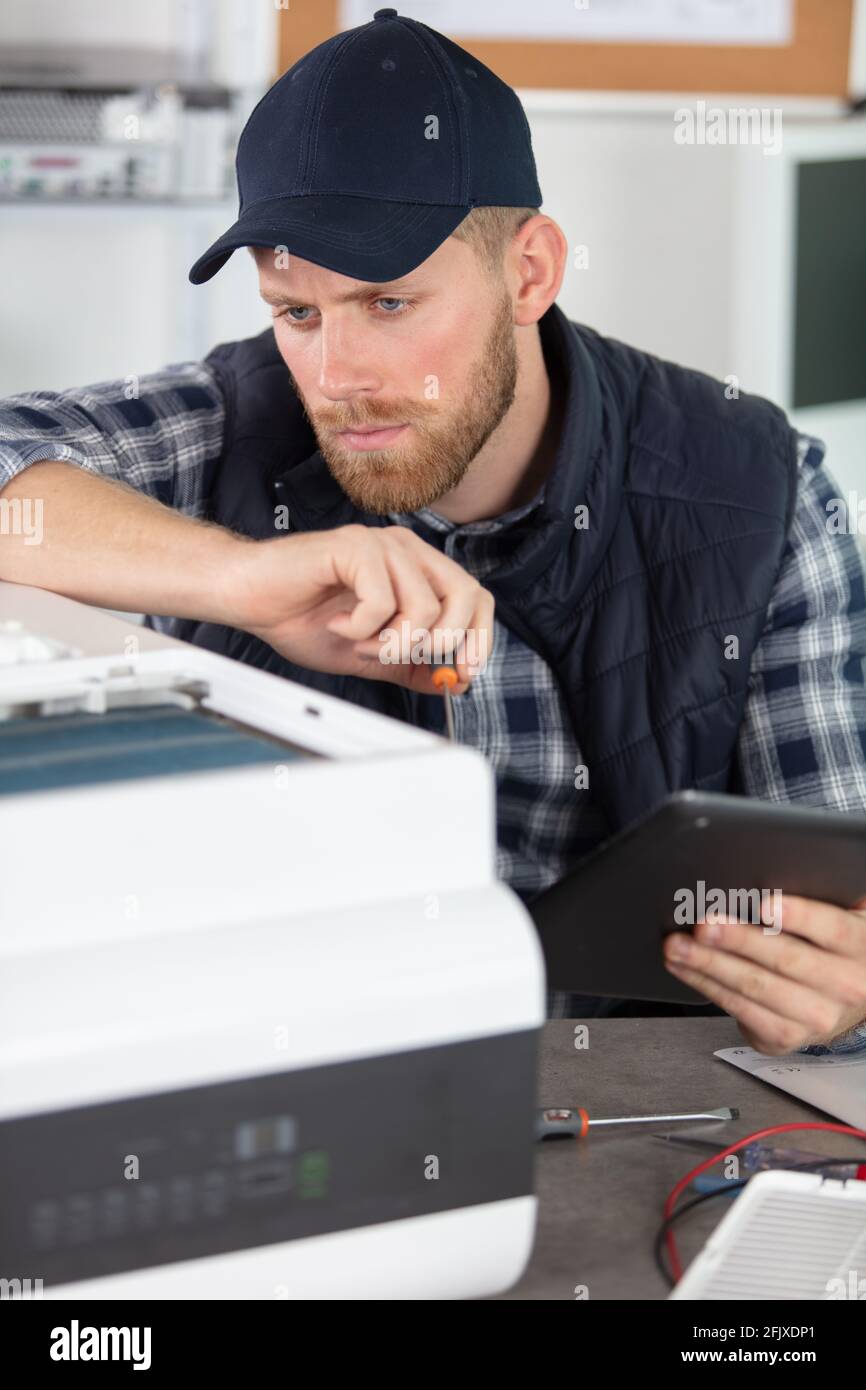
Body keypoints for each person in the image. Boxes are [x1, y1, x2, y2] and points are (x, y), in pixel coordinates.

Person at [1, 8, 865, 1053]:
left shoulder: (755, 491)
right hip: (296, 1087)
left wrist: (838, 994)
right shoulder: (232, 421)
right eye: (297, 311)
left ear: (529, 275)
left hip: (635, 1107)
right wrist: (239, 579)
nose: (335, 378)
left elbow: (838, 909)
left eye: (389, 302)